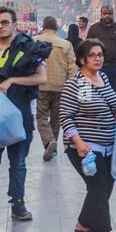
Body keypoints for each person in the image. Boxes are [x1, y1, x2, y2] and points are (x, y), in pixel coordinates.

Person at [0, 7, 49, 225]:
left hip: (20, 113)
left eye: (5, 22)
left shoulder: (28, 49)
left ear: (14, 24)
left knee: (18, 163)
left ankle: (18, 204)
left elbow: (42, 77)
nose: (0, 26)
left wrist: (12, 81)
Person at [60, 39, 116, 232]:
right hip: (85, 147)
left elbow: (114, 103)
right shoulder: (77, 84)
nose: (98, 58)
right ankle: (103, 229)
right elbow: (66, 117)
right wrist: (79, 143)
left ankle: (84, 224)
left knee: (105, 185)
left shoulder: (102, 77)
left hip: (109, 145)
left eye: (100, 54)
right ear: (82, 59)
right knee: (98, 186)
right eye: (93, 55)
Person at [36, 15, 76, 161]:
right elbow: (72, 68)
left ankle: (48, 142)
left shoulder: (35, 41)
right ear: (56, 28)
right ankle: (52, 146)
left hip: (40, 85)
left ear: (43, 26)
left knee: (41, 117)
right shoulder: (66, 44)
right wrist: (72, 87)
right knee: (56, 119)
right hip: (61, 87)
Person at [85, 4, 116, 96]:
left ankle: (112, 110)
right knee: (99, 94)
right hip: (98, 67)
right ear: (101, 14)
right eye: (105, 13)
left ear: (113, 14)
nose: (107, 15)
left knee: (113, 93)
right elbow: (86, 48)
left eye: (110, 13)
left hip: (115, 66)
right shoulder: (94, 29)